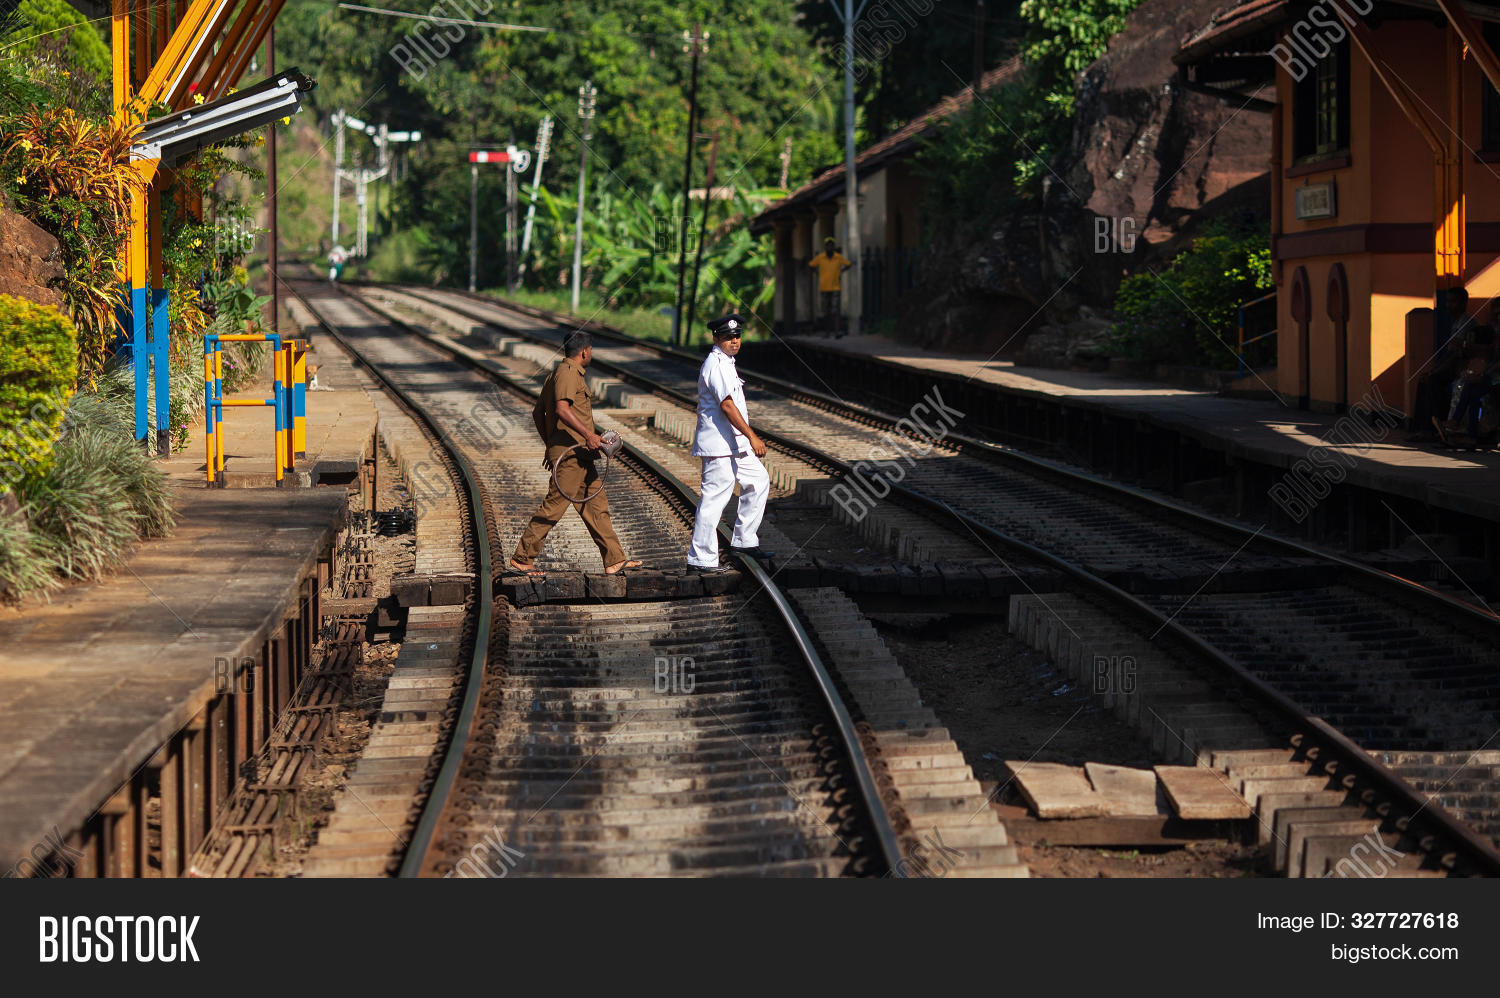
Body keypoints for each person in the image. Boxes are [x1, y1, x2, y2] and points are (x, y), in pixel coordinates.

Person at [510, 331, 642, 576]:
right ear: (584, 352)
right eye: (591, 350)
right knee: (554, 506)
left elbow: (538, 413)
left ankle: (614, 559)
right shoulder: (569, 374)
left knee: (596, 507)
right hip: (572, 456)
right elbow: (561, 409)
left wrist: (551, 444)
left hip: (580, 455)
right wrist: (588, 436)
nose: (591, 354)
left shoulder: (556, 374)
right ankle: (522, 557)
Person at [686, 314, 774, 575]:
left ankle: (745, 541)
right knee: (714, 498)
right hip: (719, 446)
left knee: (758, 481)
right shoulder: (716, 364)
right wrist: (752, 436)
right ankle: (700, 559)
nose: (734, 341)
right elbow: (726, 405)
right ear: (716, 338)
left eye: (737, 336)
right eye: (728, 337)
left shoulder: (727, 363)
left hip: (733, 444)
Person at [1408, 287, 1476, 442]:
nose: (1449, 305)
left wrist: (1436, 373)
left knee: (1433, 382)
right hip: (1450, 367)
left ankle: (1434, 428)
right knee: (1424, 380)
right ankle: (1421, 428)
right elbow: (1448, 353)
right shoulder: (1455, 324)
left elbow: (1456, 355)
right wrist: (1433, 370)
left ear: (1463, 303)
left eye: (1453, 301)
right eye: (1448, 301)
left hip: (1460, 368)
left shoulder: (1468, 323)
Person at [807, 237, 851, 338]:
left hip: (835, 287)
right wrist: (817, 273)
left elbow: (848, 264)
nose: (830, 247)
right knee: (826, 311)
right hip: (824, 288)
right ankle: (827, 333)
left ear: (833, 247)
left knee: (835, 311)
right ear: (825, 247)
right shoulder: (820, 257)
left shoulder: (838, 257)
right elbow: (811, 265)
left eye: (831, 245)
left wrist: (841, 271)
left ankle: (836, 332)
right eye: (828, 245)